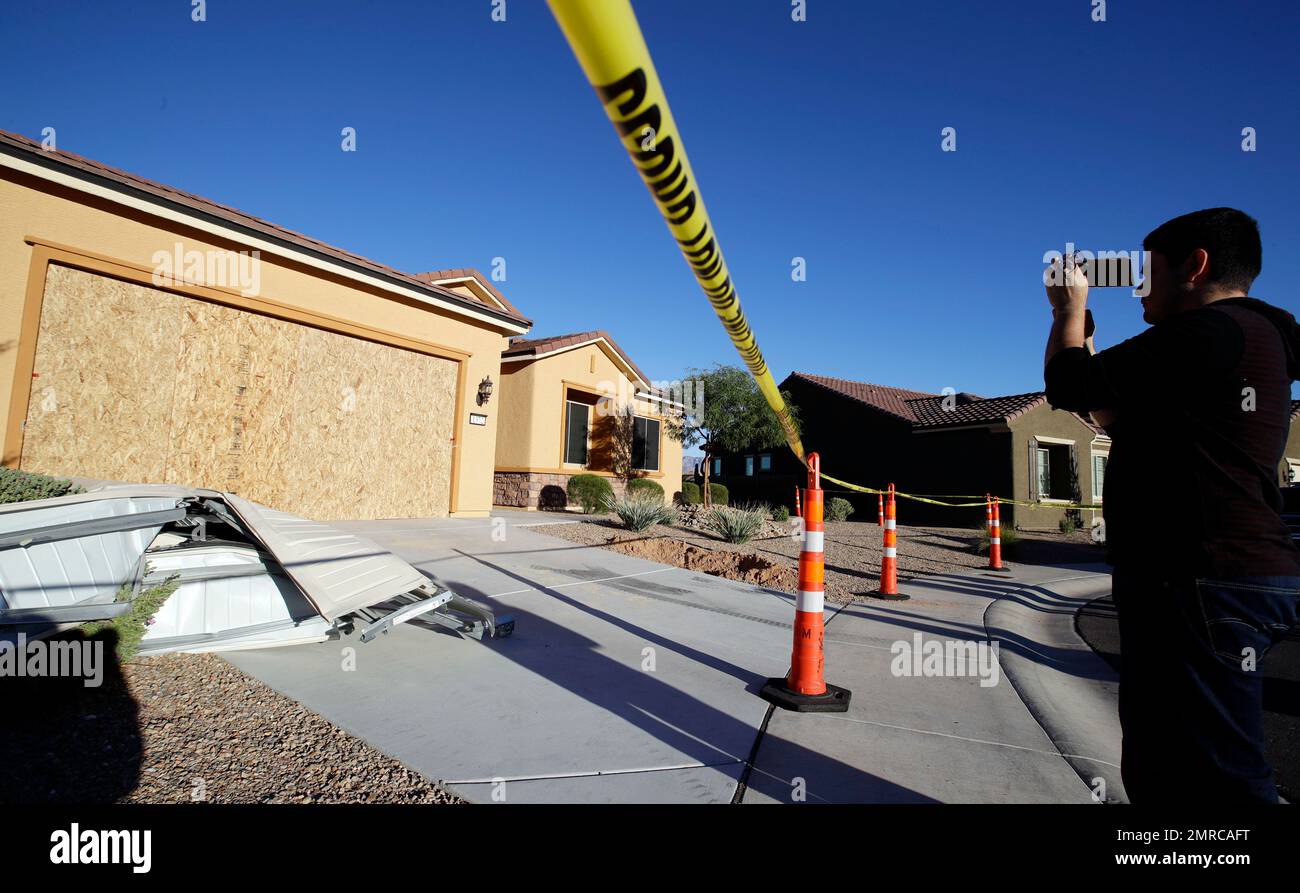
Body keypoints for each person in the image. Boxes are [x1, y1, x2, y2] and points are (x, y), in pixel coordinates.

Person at [1043, 207, 1300, 803]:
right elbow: (1113, 412)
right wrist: (1092, 347)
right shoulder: (1248, 339)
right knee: (1167, 762)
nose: (1138, 287)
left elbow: (1068, 386)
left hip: (1201, 575)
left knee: (1221, 775)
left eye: (1148, 271)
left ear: (1196, 266)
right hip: (1217, 574)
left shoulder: (1214, 330)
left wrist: (1066, 310)